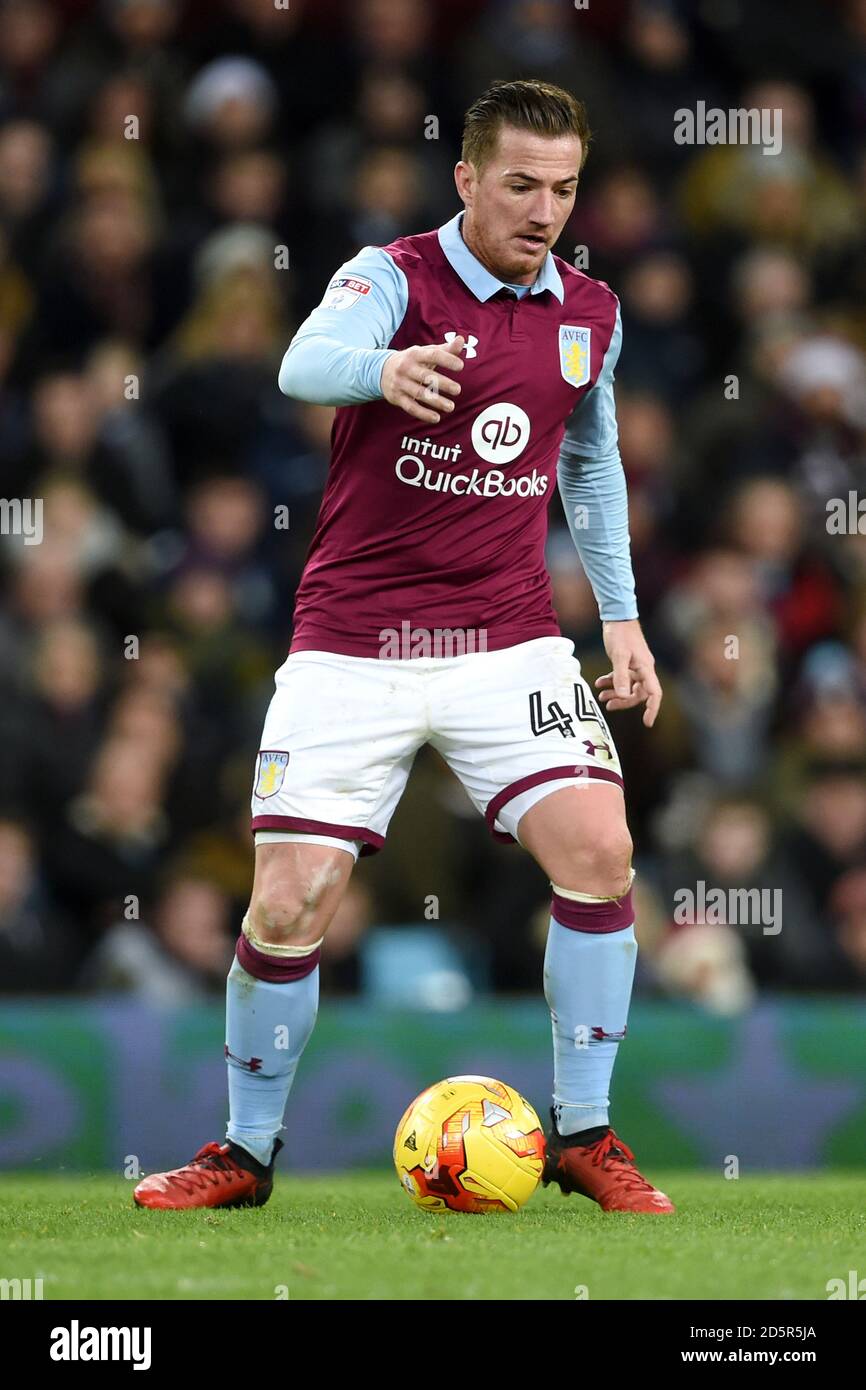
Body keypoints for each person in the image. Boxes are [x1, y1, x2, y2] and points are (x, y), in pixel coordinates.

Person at [134, 79, 672, 1215]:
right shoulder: (390, 277)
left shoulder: (591, 312)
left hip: (507, 640)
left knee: (599, 850)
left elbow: (587, 462)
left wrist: (619, 618)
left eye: (563, 188)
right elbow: (302, 362)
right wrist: (381, 370)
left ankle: (583, 1131)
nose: (542, 209)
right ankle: (245, 1153)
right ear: (466, 177)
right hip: (351, 644)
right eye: (519, 184)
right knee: (285, 904)